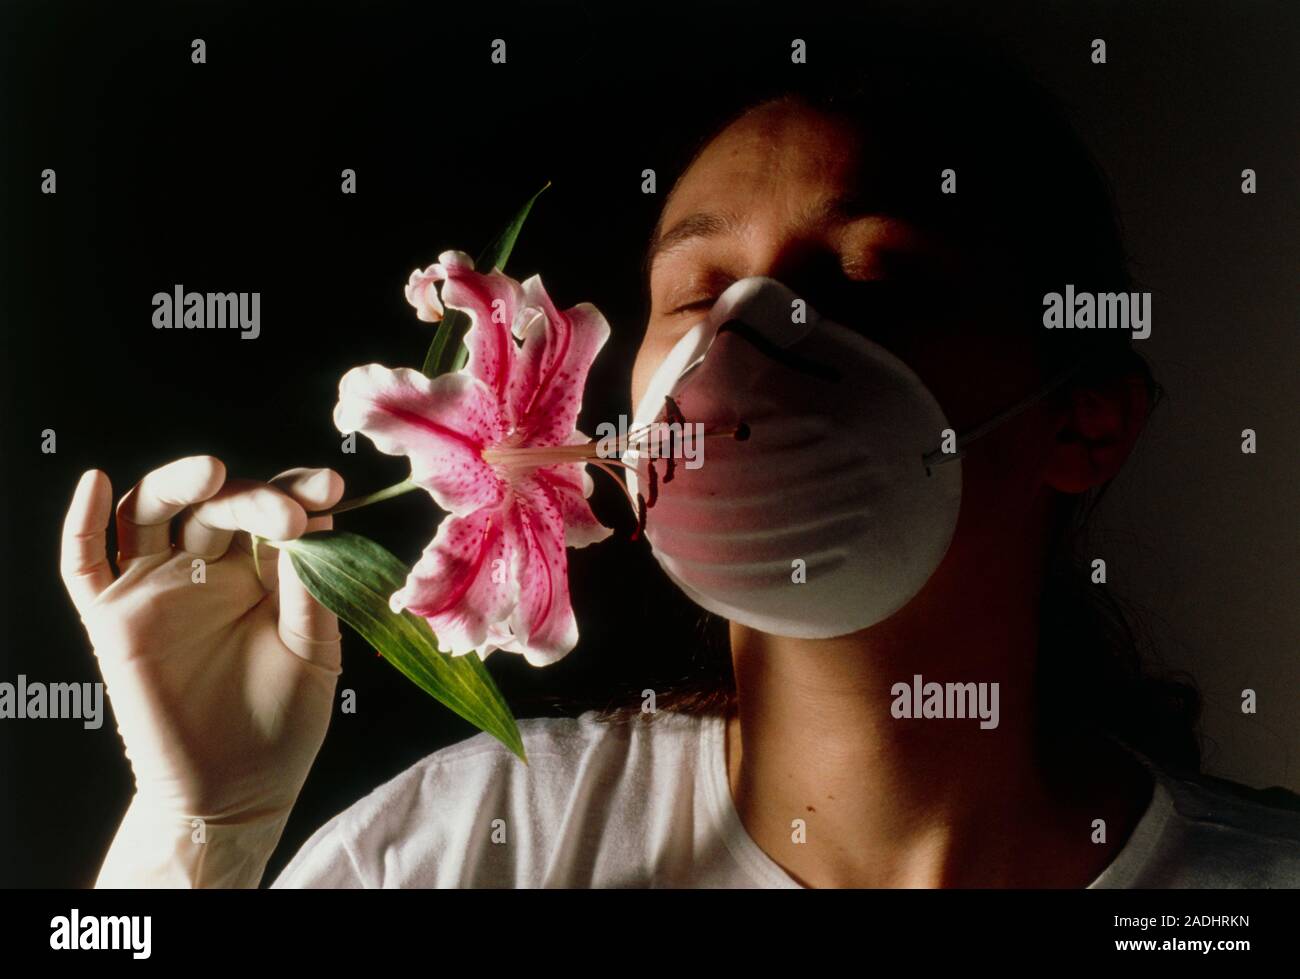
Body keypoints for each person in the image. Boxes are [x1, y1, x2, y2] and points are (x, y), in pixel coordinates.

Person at [62, 44, 1300, 889]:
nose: (744, 339)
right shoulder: (480, 843)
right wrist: (195, 837)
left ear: (1085, 419)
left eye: (872, 277)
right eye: (697, 290)